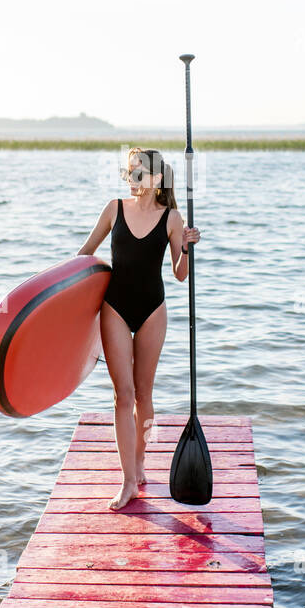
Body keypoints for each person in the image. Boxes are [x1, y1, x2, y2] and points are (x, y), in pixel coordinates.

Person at [76, 147, 201, 510]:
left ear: (155, 179)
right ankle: (128, 480)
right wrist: (54, 294)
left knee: (144, 395)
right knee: (123, 395)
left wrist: (188, 249)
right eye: (127, 172)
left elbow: (179, 274)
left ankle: (141, 459)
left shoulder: (172, 217)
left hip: (152, 311)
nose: (129, 179)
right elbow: (85, 253)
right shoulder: (114, 208)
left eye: (136, 173)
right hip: (114, 308)